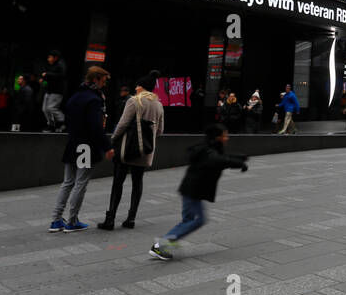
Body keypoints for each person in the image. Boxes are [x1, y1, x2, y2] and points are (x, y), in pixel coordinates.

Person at [149, 124, 248, 261]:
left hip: (192, 189)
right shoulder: (208, 151)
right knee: (197, 220)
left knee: (189, 220)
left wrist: (238, 158)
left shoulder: (209, 147)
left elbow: (220, 157)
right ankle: (160, 245)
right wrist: (238, 163)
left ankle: (164, 243)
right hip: (193, 190)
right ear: (217, 137)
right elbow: (217, 160)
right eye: (225, 135)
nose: (227, 138)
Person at [49, 66, 112, 234]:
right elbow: (95, 126)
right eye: (103, 81)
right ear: (96, 79)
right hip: (85, 147)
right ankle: (72, 221)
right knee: (80, 183)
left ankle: (56, 220)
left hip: (72, 143)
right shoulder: (93, 99)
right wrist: (107, 146)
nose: (104, 85)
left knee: (67, 182)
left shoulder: (75, 96)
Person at [99, 72, 164, 231]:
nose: (135, 87)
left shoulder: (134, 101)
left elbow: (122, 124)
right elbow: (160, 131)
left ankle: (110, 219)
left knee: (118, 182)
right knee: (137, 182)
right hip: (145, 151)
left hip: (127, 149)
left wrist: (112, 140)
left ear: (142, 87)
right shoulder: (158, 105)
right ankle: (131, 219)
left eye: (137, 85)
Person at [41, 50, 68, 132]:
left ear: (55, 57)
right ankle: (51, 125)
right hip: (49, 90)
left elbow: (61, 75)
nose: (48, 59)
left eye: (50, 57)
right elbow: (50, 76)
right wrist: (43, 78)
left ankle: (64, 122)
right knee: (45, 109)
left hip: (57, 91)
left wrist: (47, 74)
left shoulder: (60, 64)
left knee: (51, 108)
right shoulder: (51, 65)